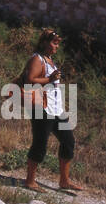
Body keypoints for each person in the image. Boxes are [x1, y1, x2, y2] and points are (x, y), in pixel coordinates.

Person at [21, 28, 81, 194]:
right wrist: (50, 79)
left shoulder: (50, 60)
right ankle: (30, 180)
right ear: (44, 43)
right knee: (40, 143)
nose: (57, 46)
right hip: (42, 108)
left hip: (56, 109)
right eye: (54, 43)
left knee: (68, 141)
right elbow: (29, 81)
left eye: (58, 43)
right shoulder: (37, 59)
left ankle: (64, 180)